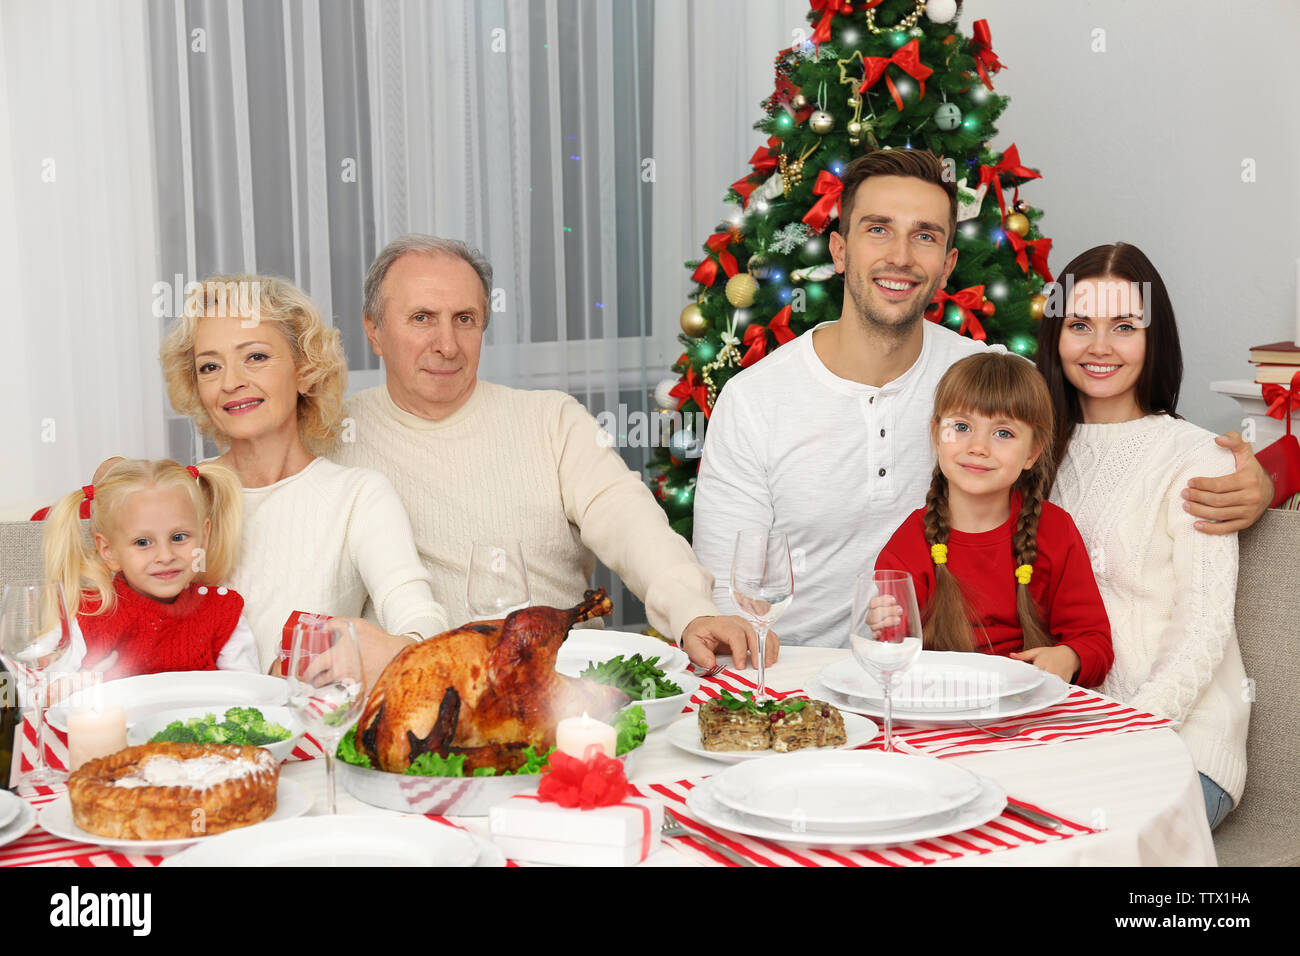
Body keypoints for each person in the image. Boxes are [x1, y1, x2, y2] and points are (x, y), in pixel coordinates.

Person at [693, 147, 1274, 647]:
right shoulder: (754, 401)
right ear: (840, 251)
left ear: (947, 265)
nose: (900, 255)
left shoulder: (990, 378)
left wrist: (1268, 476)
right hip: (803, 682)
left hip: (954, 691)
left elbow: (1123, 436)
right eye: (878, 229)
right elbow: (728, 594)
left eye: (924, 236)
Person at [332, 235, 766, 671]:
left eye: (464, 319)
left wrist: (692, 609)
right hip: (417, 696)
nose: (447, 344)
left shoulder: (550, 419)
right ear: (374, 330)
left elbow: (629, 521)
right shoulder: (332, 435)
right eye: (422, 318)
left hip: (562, 686)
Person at [1037, 242, 1249, 830]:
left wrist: (1121, 733)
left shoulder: (1196, 457)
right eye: (1079, 324)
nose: (1099, 347)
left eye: (1124, 326)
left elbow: (1202, 631)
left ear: (1154, 339)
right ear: (1056, 335)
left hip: (1178, 745)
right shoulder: (1030, 451)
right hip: (1064, 733)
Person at [158, 275, 449, 677]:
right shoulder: (177, 495)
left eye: (256, 357)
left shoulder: (357, 497)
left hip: (305, 733)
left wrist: (393, 650)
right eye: (210, 367)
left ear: (305, 370)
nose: (230, 382)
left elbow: (420, 619)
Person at [874, 353, 1113, 686]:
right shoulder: (911, 543)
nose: (978, 447)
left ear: (1032, 452)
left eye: (1003, 433)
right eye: (961, 427)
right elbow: (891, 655)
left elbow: (1094, 641)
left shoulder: (1055, 531)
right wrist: (885, 625)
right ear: (935, 434)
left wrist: (1069, 656)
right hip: (940, 705)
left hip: (1029, 708)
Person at [40, 457, 259, 680]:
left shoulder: (223, 612)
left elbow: (250, 693)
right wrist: (80, 684)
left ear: (203, 538)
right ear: (109, 551)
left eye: (179, 537)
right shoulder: (87, 613)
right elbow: (39, 690)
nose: (165, 556)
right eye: (143, 542)